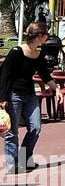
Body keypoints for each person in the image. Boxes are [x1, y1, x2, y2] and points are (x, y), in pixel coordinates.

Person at [2, 22, 55, 174]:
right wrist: (3, 98)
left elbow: (45, 75)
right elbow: (5, 75)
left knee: (36, 127)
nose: (47, 37)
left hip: (30, 95)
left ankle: (25, 159)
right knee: (12, 131)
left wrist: (57, 89)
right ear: (39, 36)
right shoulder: (16, 52)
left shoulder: (38, 54)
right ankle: (12, 165)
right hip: (14, 95)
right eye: (46, 34)